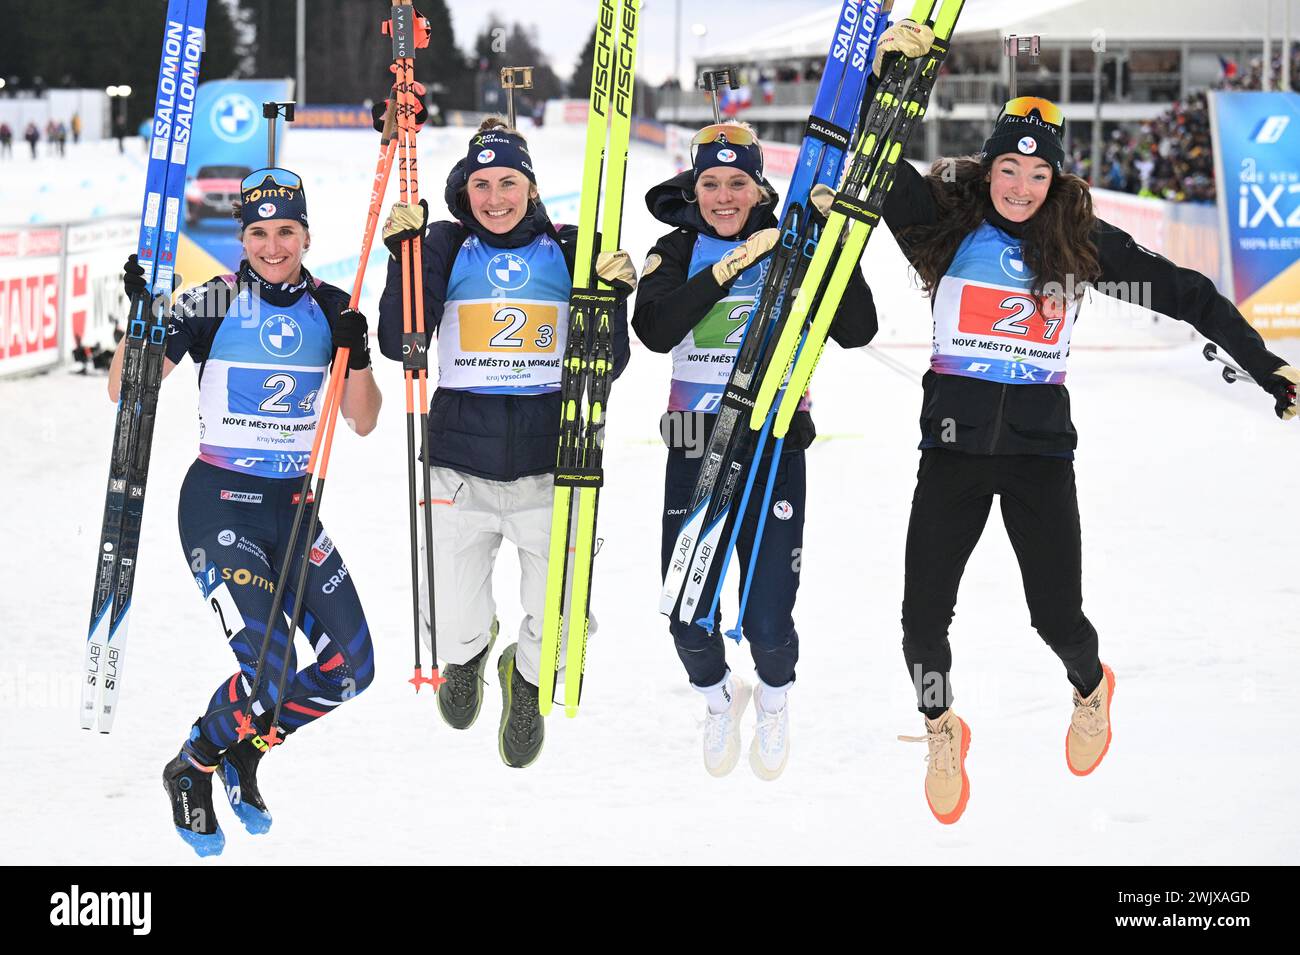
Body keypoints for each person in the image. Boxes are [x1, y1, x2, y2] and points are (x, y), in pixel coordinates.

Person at [879, 89, 1299, 823]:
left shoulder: (1081, 242)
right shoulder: (945, 222)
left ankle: (1089, 687)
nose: (1020, 187)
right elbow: (874, 159)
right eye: (1008, 168)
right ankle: (942, 727)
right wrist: (891, 79)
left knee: (1057, 619)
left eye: (1037, 176)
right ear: (989, 167)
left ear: (1057, 180)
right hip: (952, 453)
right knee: (921, 622)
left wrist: (1266, 367)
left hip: (1040, 456)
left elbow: (1191, 296)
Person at [108, 168, 382, 855]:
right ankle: (195, 761)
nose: (271, 244)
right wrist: (143, 323)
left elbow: (364, 421)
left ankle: (245, 748)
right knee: (266, 670)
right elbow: (124, 390)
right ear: (242, 238)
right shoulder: (209, 301)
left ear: (306, 235)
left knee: (352, 668)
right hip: (219, 503)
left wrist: (358, 355)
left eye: (285, 230)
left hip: (292, 509)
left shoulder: (332, 305)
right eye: (257, 232)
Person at [377, 117, 632, 769]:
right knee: (454, 623)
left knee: (561, 626)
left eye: (508, 182)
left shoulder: (570, 245)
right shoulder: (444, 243)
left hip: (554, 468)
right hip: (459, 470)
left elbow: (607, 363)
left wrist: (612, 300)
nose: (495, 197)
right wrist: (402, 260)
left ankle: (525, 673)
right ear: (466, 188)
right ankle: (471, 651)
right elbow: (401, 341)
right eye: (483, 184)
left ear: (532, 186)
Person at [632, 122, 877, 781]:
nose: (723, 196)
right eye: (710, 182)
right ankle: (719, 698)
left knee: (768, 620)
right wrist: (728, 266)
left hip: (772, 444)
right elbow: (654, 329)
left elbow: (859, 330)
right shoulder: (677, 248)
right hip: (695, 444)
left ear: (759, 187)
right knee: (688, 616)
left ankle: (773, 698)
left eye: (737, 182)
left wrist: (831, 245)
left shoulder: (795, 243)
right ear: (693, 187)